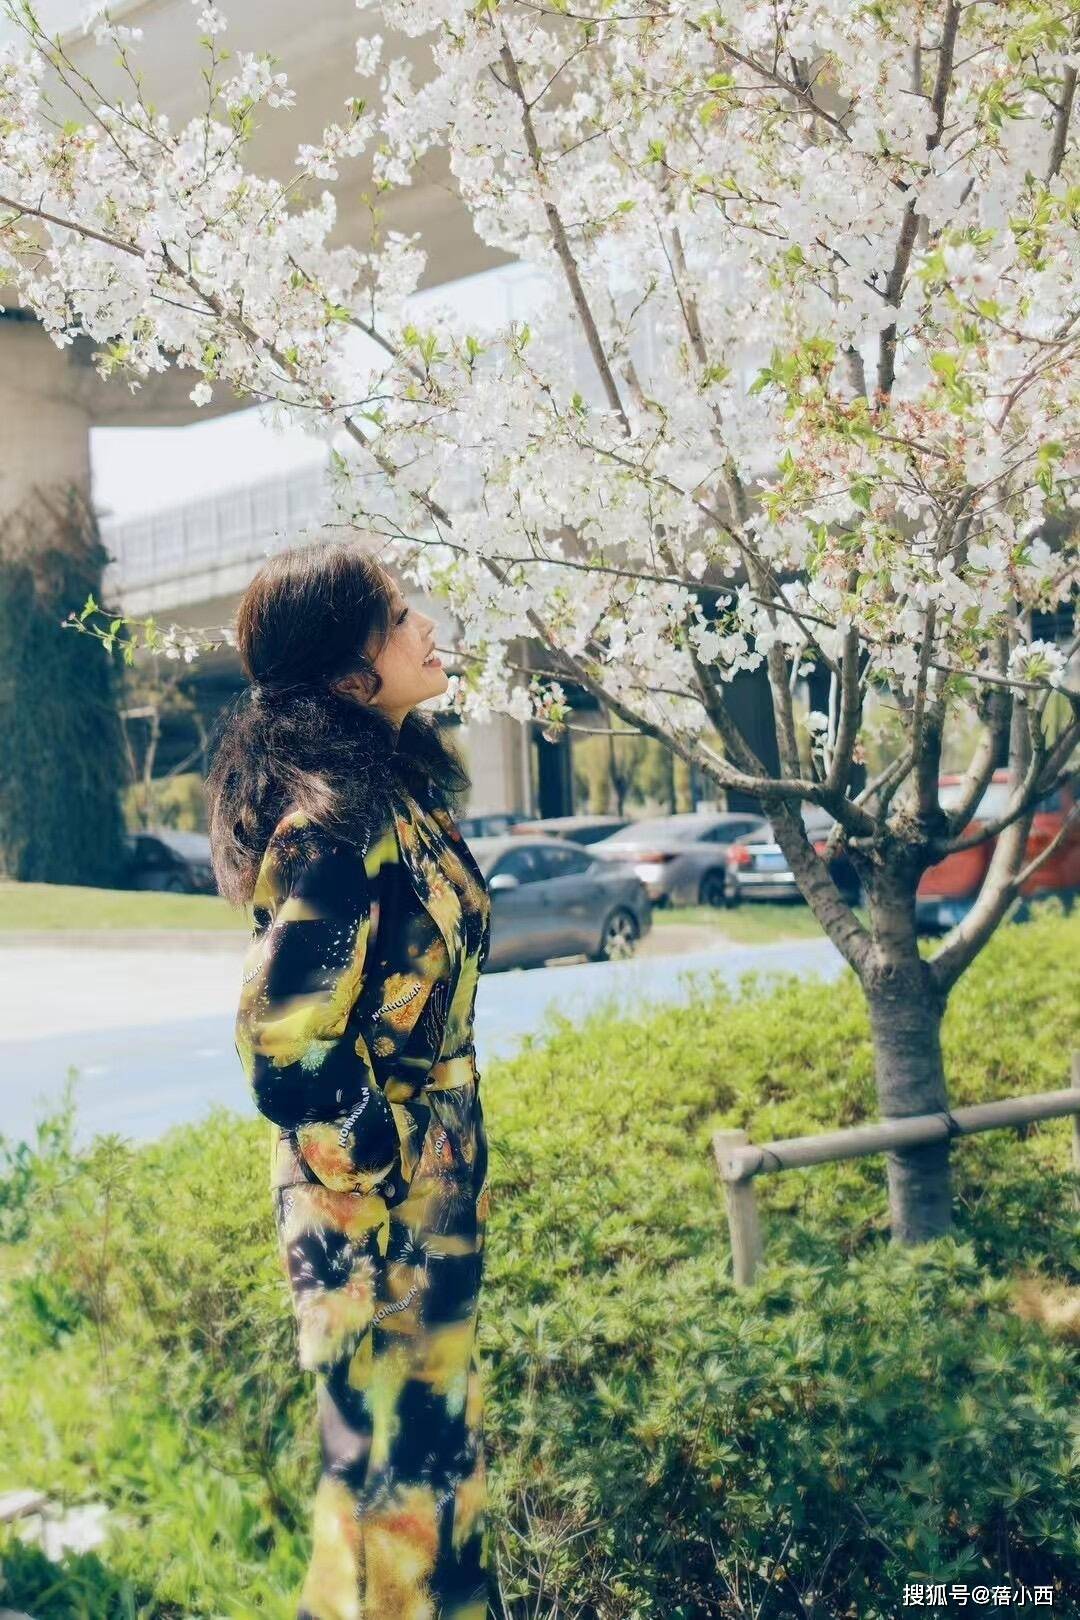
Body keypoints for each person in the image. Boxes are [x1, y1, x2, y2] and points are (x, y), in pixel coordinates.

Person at [205, 535, 501, 1620]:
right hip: (367, 1209)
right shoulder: (333, 827)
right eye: (399, 616)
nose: (426, 626)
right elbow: (286, 1054)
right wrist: (389, 1157)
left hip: (429, 1191)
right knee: (389, 1492)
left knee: (434, 1470)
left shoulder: (397, 795)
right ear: (346, 672)